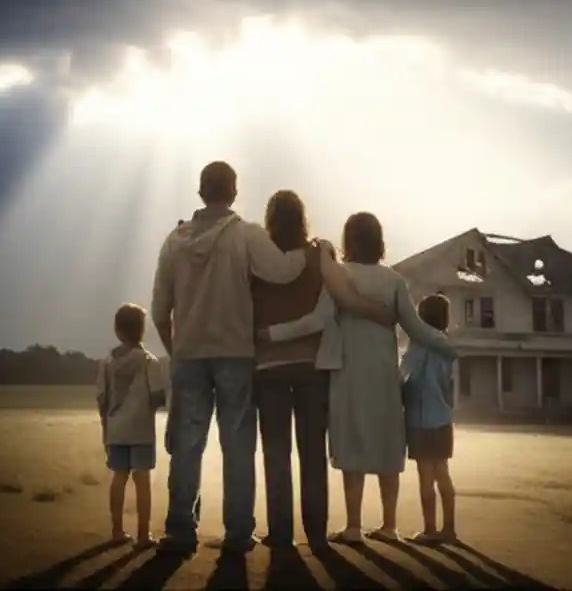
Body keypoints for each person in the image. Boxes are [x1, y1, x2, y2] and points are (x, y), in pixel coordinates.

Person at [151, 162, 372, 556]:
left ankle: (180, 530)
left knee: (188, 445)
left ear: (200, 192)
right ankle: (241, 533)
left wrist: (176, 352)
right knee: (239, 446)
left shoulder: (173, 241)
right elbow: (285, 271)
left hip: (193, 356)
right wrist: (318, 251)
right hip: (237, 353)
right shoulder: (246, 236)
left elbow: (158, 310)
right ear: (234, 192)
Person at [262, 212, 456, 545]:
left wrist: (272, 333)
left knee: (352, 442)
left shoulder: (339, 276)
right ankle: (389, 525)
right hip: (384, 374)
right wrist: (449, 346)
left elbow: (316, 321)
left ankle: (353, 526)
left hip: (347, 372)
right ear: (379, 241)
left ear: (348, 240)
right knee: (386, 444)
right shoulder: (393, 280)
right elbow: (415, 327)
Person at [250, 190, 396, 549]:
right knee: (312, 453)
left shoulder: (256, 260)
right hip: (311, 368)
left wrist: (267, 334)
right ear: (303, 217)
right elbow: (325, 314)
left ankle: (281, 533)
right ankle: (316, 534)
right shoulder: (321, 255)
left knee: (276, 454)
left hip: (268, 366)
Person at [95, 303, 166, 550]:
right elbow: (158, 396)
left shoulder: (106, 363)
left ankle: (116, 531)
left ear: (117, 330)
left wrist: (106, 426)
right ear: (142, 330)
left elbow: (101, 399)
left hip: (115, 430)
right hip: (141, 431)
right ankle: (143, 536)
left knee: (119, 477)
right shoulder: (149, 361)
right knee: (142, 480)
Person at [401, 294, 460, 545]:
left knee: (425, 475)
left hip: (421, 419)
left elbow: (405, 376)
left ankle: (429, 530)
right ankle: (449, 529)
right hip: (443, 417)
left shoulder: (419, 344)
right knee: (443, 473)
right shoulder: (446, 346)